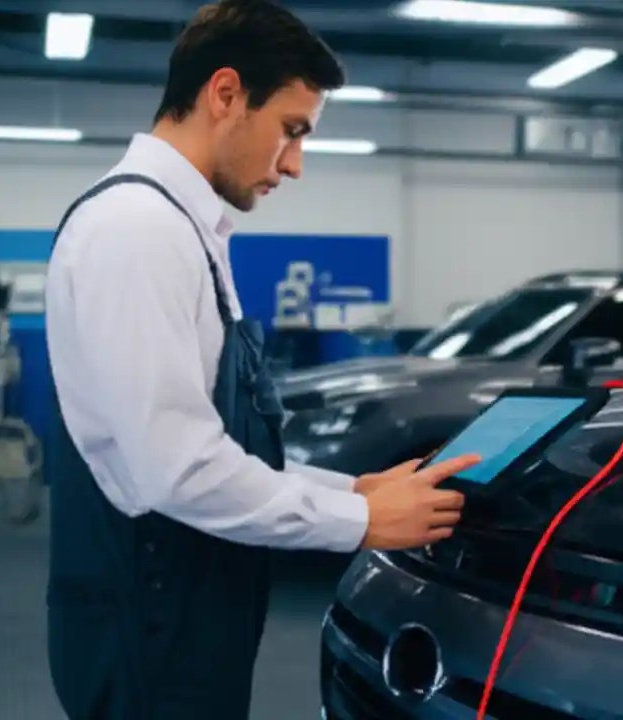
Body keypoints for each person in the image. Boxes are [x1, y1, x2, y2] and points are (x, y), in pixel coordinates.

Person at [42, 1, 480, 718]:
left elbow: (219, 443)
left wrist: (353, 491)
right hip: (151, 633)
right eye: (291, 130)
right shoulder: (136, 231)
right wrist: (357, 524)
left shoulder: (186, 229)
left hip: (185, 617)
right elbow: (180, 469)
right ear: (225, 95)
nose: (296, 164)